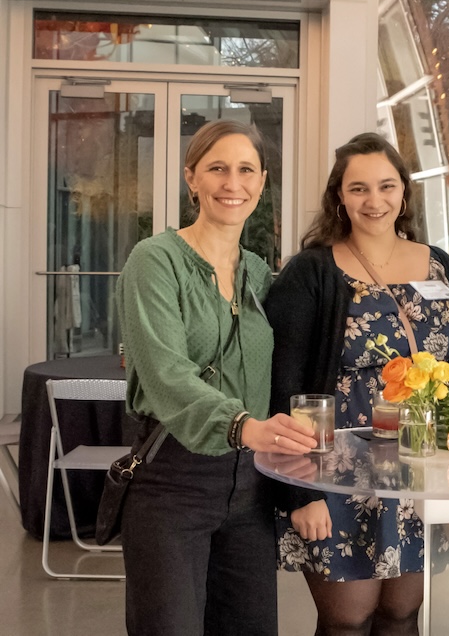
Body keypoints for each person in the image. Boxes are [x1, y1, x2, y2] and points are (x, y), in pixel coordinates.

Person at [266, 133, 449, 635]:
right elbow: (283, 384)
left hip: (423, 469)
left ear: (404, 191)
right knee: (347, 620)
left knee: (402, 615)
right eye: (358, 188)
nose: (374, 200)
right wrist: (300, 494)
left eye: (386, 186)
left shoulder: (443, 267)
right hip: (335, 473)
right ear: (339, 195)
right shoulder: (311, 272)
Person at [116, 120, 317, 636]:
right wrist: (243, 424)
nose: (233, 183)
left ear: (262, 181)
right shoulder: (155, 261)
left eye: (246, 170)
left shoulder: (259, 271)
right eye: (217, 169)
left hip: (250, 488)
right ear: (192, 179)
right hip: (173, 484)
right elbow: (165, 374)